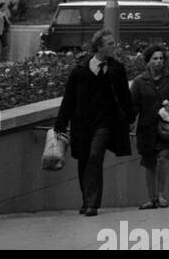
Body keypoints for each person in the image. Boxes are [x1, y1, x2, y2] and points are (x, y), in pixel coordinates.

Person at [53, 29, 136, 217]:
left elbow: (124, 96)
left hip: (105, 122)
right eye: (110, 44)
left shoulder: (116, 69)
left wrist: (130, 118)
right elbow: (69, 99)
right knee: (84, 160)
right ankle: (86, 200)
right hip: (82, 123)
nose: (114, 47)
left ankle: (92, 203)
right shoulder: (80, 71)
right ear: (99, 47)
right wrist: (61, 123)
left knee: (94, 156)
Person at [130, 45, 169, 208]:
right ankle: (152, 198)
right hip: (146, 128)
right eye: (155, 58)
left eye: (161, 58)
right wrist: (129, 121)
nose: (158, 62)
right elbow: (133, 105)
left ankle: (161, 195)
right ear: (148, 62)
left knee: (162, 159)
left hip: (166, 128)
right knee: (149, 163)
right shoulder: (140, 82)